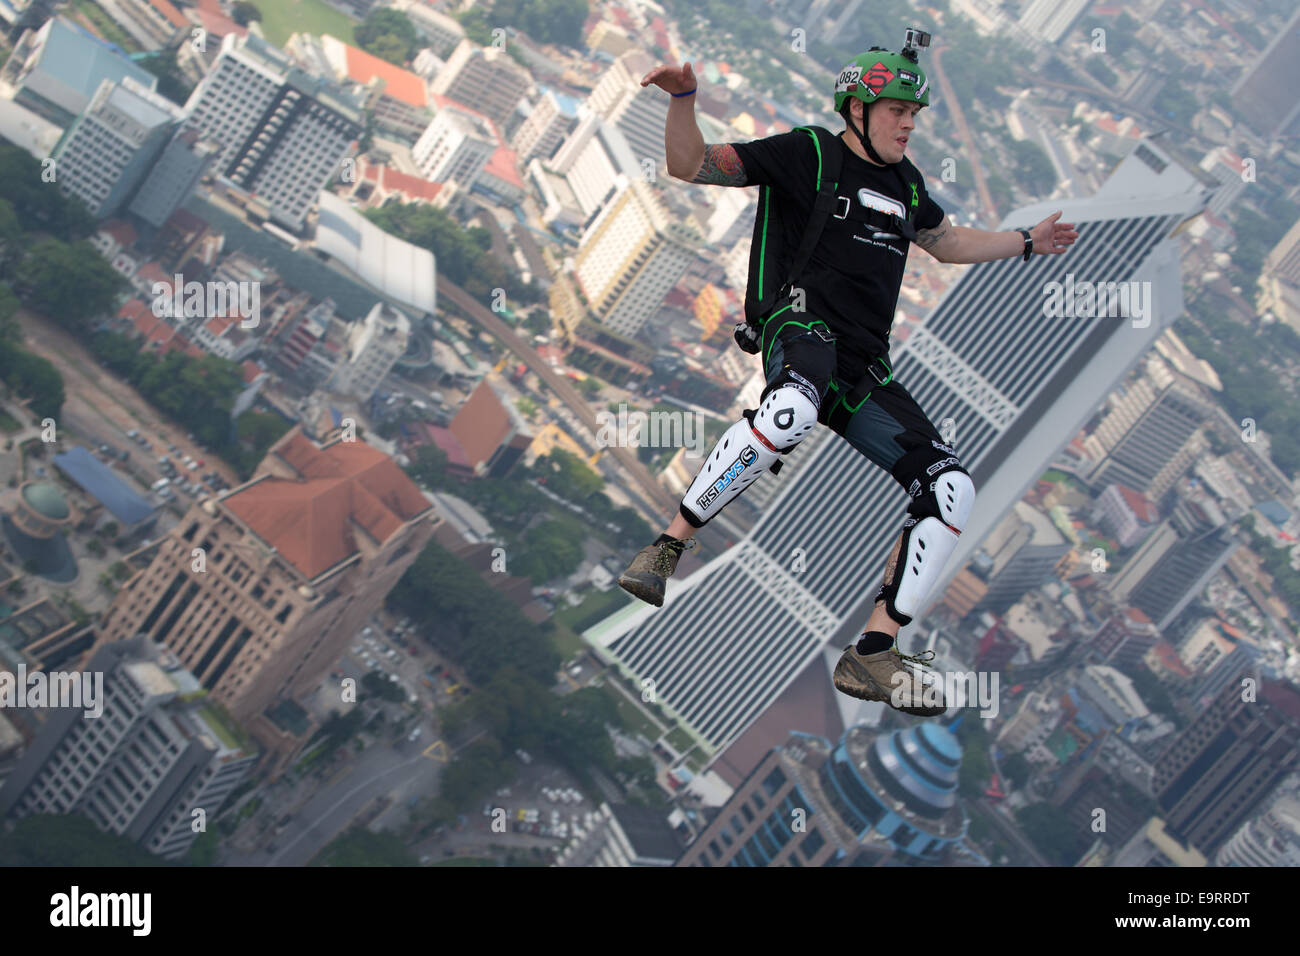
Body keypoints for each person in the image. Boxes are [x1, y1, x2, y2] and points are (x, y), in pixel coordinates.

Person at [618, 41, 1077, 716]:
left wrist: (1027, 241)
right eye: (897, 111)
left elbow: (949, 242)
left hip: (863, 365)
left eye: (914, 114)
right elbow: (691, 164)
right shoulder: (807, 152)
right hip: (799, 326)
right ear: (857, 109)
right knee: (791, 412)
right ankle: (667, 548)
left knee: (951, 489)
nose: (909, 124)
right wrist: (684, 100)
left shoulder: (907, 185)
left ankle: (874, 652)